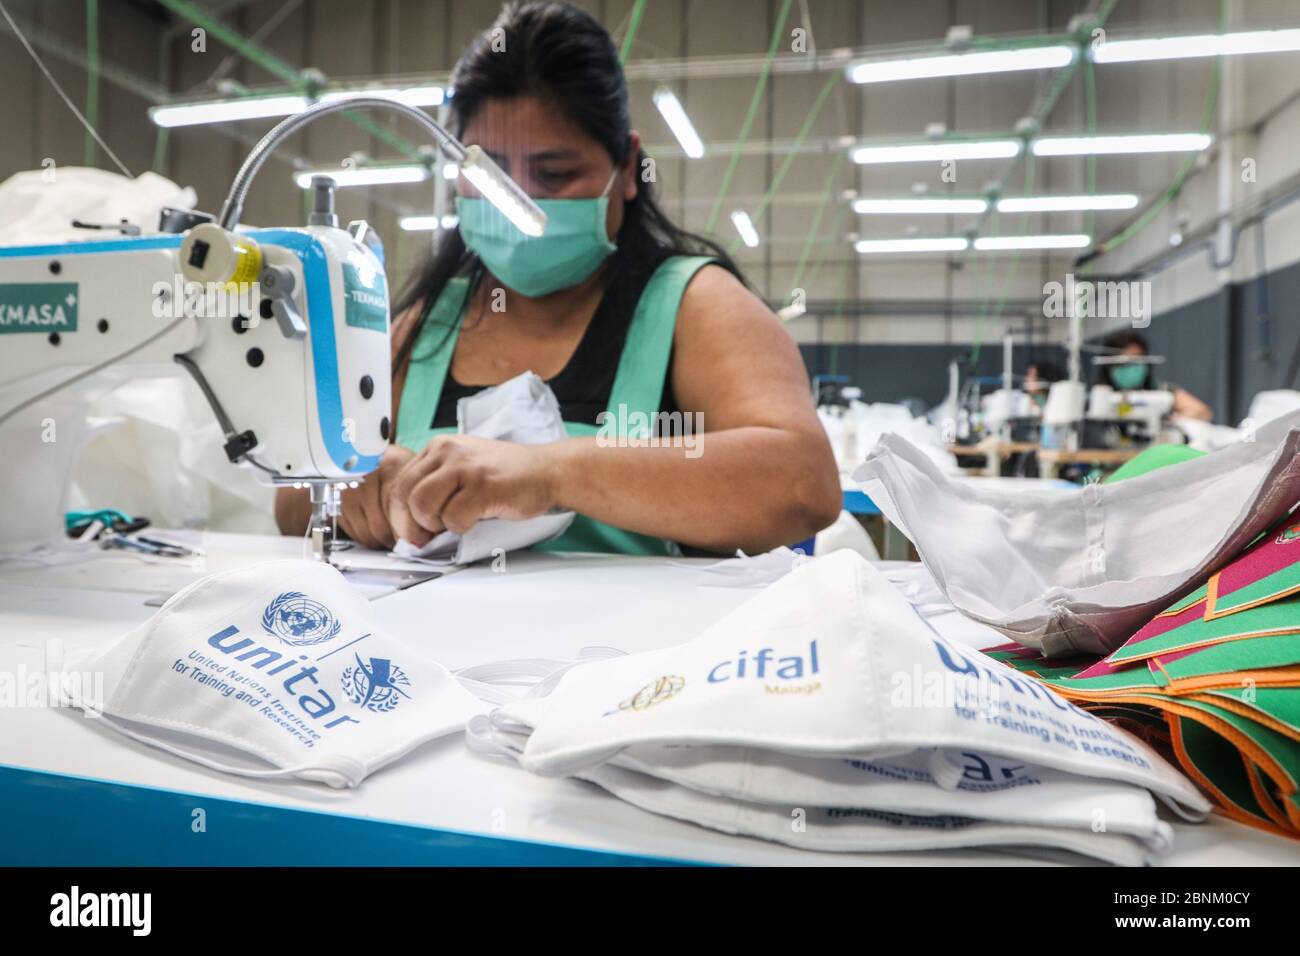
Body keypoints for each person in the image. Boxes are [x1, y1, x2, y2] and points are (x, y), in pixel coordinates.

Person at [276, 1, 840, 556]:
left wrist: (551, 471)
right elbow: (291, 500)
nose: (518, 202)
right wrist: (358, 483)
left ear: (626, 168)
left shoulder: (694, 307)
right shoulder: (426, 327)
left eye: (554, 173)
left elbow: (800, 485)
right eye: (491, 174)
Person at [1095, 330, 1212, 422]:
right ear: (1110, 365)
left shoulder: (1159, 389)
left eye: (1138, 360)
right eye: (1126, 362)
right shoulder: (1097, 396)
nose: (1133, 366)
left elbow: (1202, 411)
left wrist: (1172, 421)